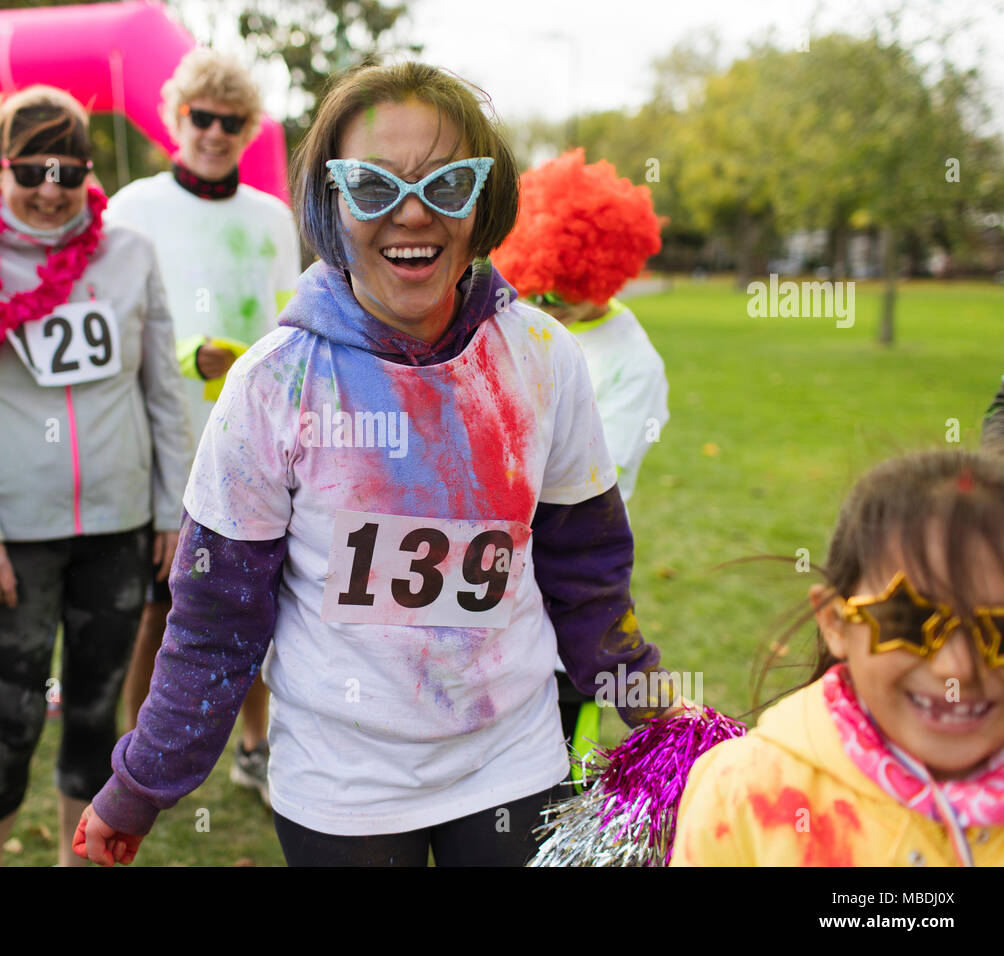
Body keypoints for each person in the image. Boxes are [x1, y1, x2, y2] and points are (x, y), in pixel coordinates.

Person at [76, 62, 681, 868]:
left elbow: (587, 572)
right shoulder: (270, 385)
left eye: (447, 184)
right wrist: (141, 784)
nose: (410, 213)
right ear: (329, 202)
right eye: (370, 185)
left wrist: (651, 705)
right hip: (341, 785)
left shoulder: (544, 360)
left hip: (512, 763)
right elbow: (217, 620)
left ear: (486, 198)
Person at [0, 85, 193, 866]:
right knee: (9, 729)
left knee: (97, 722)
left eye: (70, 170)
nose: (50, 188)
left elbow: (162, 391)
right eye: (31, 169)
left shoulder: (129, 253)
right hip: (8, 542)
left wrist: (171, 509)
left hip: (118, 529)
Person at [107, 47, 301, 806]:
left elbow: (292, 324)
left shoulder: (273, 215)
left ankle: (254, 745)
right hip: (163, 443)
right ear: (175, 118)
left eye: (232, 121)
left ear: (249, 129)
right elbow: (116, 323)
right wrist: (184, 358)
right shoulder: (133, 206)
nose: (216, 133)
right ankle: (134, 757)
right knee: (156, 610)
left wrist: (249, 365)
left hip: (256, 439)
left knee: (254, 601)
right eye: (202, 118)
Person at [673, 450, 1004, 866]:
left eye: (999, 630)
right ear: (835, 621)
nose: (956, 669)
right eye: (907, 620)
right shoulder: (743, 792)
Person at [490, 147, 668, 755]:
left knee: (561, 736)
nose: (547, 306)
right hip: (496, 567)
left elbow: (593, 477)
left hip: (566, 566)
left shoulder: (632, 365)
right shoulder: (516, 318)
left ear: (603, 273)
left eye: (565, 295)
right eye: (538, 291)